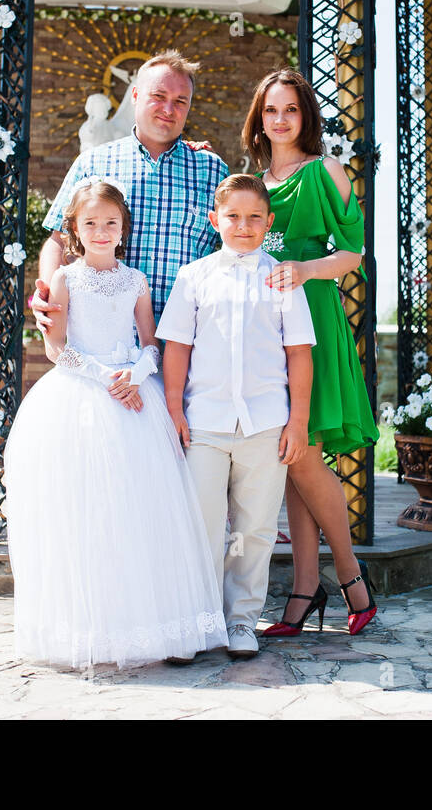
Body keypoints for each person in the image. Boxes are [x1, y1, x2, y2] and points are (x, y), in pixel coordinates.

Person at [3, 178, 227, 669]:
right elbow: (56, 348)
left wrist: (138, 373)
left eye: (110, 223)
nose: (101, 231)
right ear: (75, 231)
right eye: (91, 224)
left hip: (134, 400)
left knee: (140, 512)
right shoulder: (65, 279)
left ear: (123, 227)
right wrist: (107, 377)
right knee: (86, 513)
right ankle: (90, 629)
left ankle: (144, 626)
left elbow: (151, 341)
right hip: (81, 397)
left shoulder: (137, 280)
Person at [241, 68, 380, 637]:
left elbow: (353, 251)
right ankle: (304, 589)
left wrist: (303, 270)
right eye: (271, 110)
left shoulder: (326, 171)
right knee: (291, 454)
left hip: (314, 317)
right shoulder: (251, 181)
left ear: (306, 117)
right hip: (264, 330)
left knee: (302, 452)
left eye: (291, 110)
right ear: (259, 118)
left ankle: (349, 577)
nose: (280, 120)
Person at [156, 174, 317, 660]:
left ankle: (241, 620)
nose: (243, 226)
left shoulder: (282, 279)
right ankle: (197, 620)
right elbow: (177, 348)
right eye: (233, 216)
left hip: (266, 423)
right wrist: (173, 408)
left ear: (268, 222)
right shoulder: (194, 277)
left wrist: (298, 421)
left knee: (254, 528)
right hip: (205, 422)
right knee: (202, 524)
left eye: (254, 217)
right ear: (215, 220)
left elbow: (299, 354)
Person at [32, 50, 227, 330]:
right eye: (158, 97)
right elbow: (59, 241)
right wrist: (49, 299)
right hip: (103, 338)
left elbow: (229, 250)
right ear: (135, 96)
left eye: (180, 101)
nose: (168, 109)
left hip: (187, 343)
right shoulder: (94, 162)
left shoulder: (213, 170)